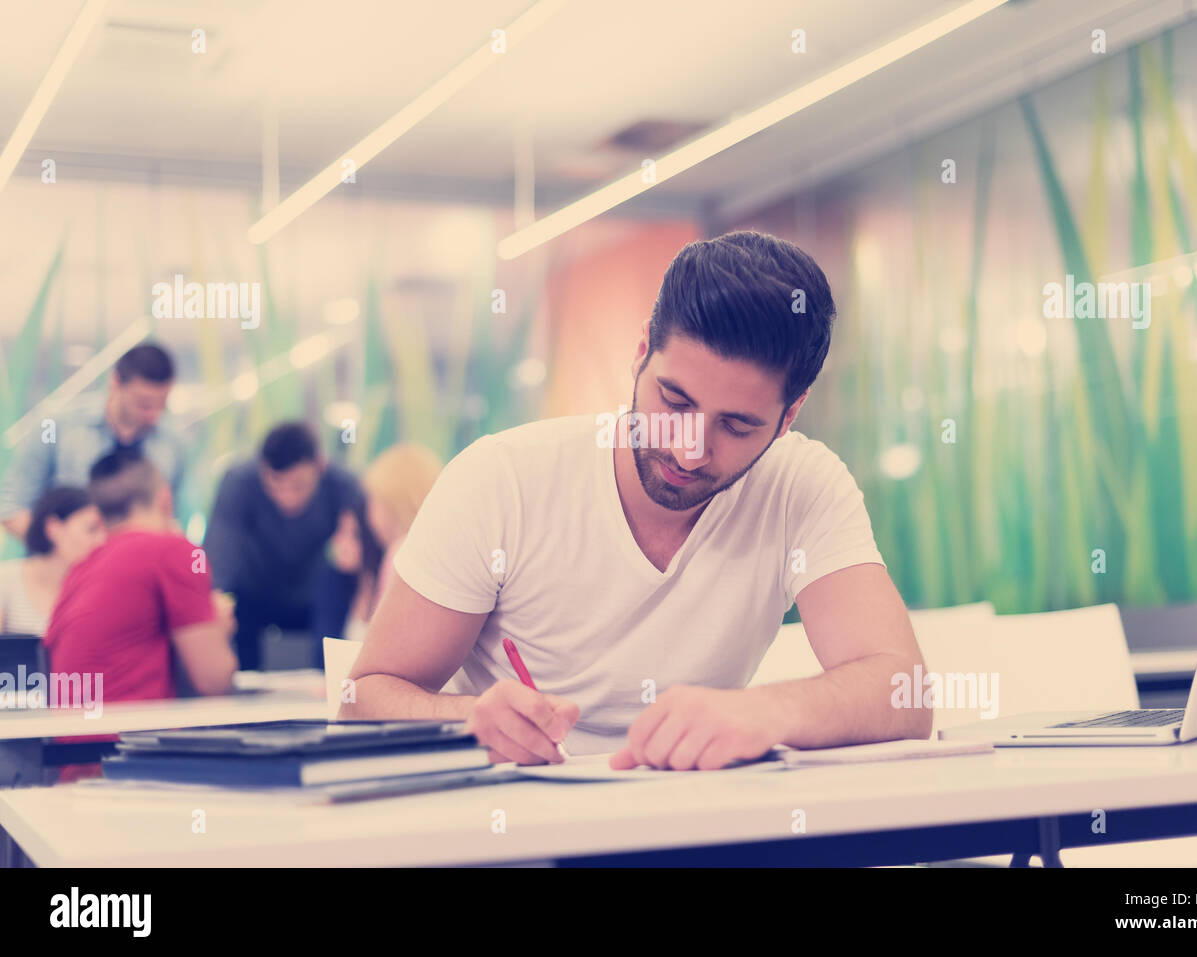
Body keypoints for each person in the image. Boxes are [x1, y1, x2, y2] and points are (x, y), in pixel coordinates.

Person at [343, 230, 930, 770]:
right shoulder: (502, 479)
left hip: (689, 833)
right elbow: (361, 696)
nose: (691, 452)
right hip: (517, 833)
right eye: (674, 403)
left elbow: (904, 694)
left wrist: (767, 712)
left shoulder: (802, 486)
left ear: (788, 417)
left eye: (737, 426)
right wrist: (467, 719)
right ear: (642, 351)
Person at [44, 448, 237, 703]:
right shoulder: (173, 551)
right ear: (165, 499)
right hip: (124, 738)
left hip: (68, 737)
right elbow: (214, 680)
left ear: (99, 515)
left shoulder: (82, 568)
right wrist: (218, 627)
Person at [203, 422, 365, 670]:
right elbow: (219, 555)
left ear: (320, 466)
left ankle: (330, 678)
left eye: (299, 486)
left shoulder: (344, 485)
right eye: (276, 486)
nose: (287, 498)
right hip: (256, 592)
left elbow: (365, 557)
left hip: (315, 595)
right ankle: (244, 681)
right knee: (228, 598)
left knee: (336, 584)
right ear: (261, 470)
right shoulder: (239, 481)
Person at [0, 342, 186, 543]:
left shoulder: (173, 444)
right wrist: (58, 548)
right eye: (144, 404)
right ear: (115, 382)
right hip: (65, 569)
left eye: (162, 405)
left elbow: (175, 519)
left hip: (138, 567)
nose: (153, 416)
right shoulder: (57, 427)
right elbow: (10, 504)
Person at [327, 444, 442, 640]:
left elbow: (382, 642)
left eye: (373, 500)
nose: (369, 513)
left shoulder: (400, 553)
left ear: (391, 502)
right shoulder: (435, 549)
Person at [0, 487, 106, 635]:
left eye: (105, 531)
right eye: (91, 529)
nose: (101, 541)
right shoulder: (5, 580)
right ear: (53, 527)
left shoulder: (101, 589)